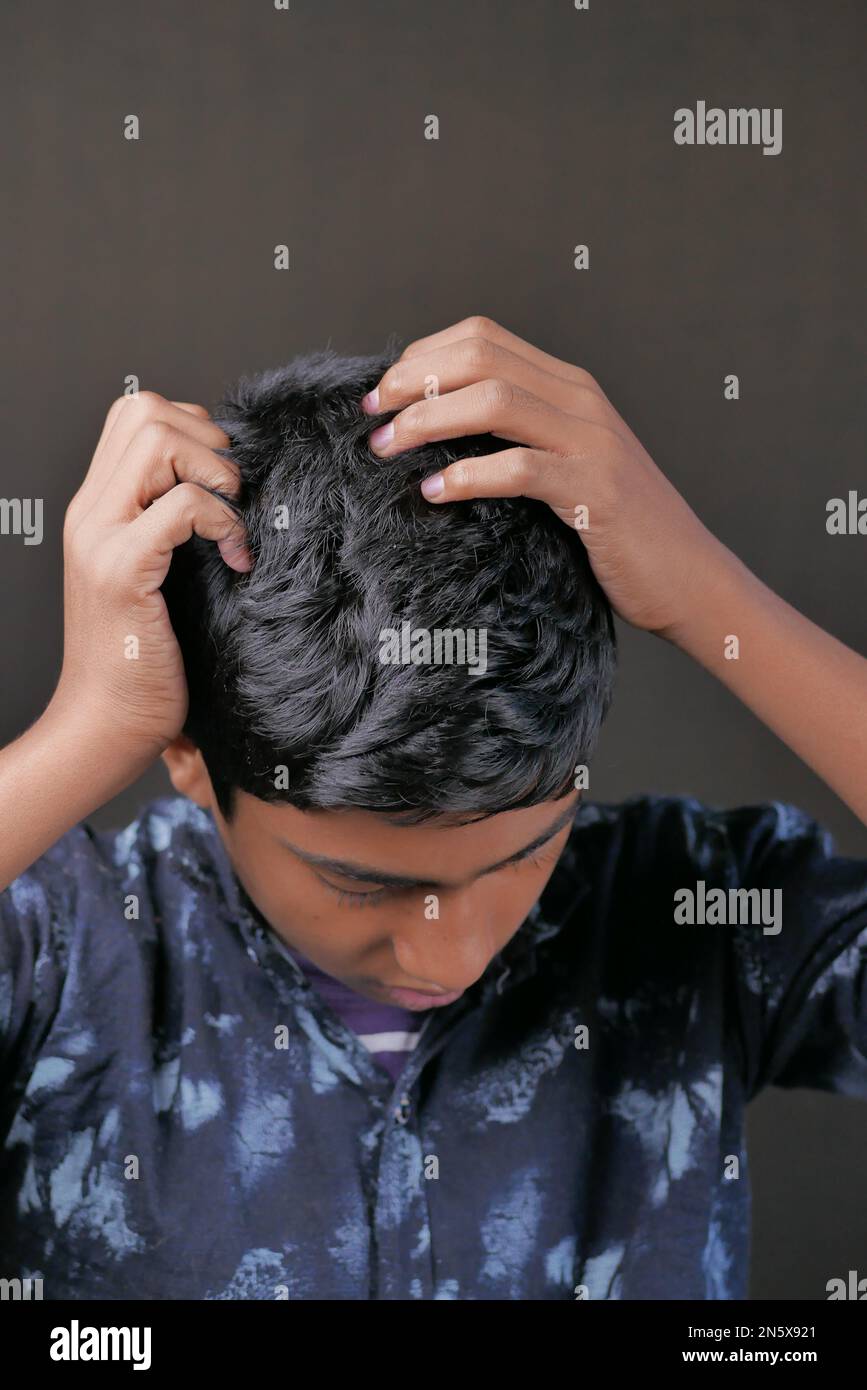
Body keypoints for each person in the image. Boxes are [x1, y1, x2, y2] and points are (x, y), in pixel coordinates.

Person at [1, 316, 864, 1300]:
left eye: (520, 857)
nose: (452, 954)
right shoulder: (63, 955)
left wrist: (712, 596)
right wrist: (83, 728)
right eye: (363, 883)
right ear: (191, 760)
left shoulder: (695, 915)